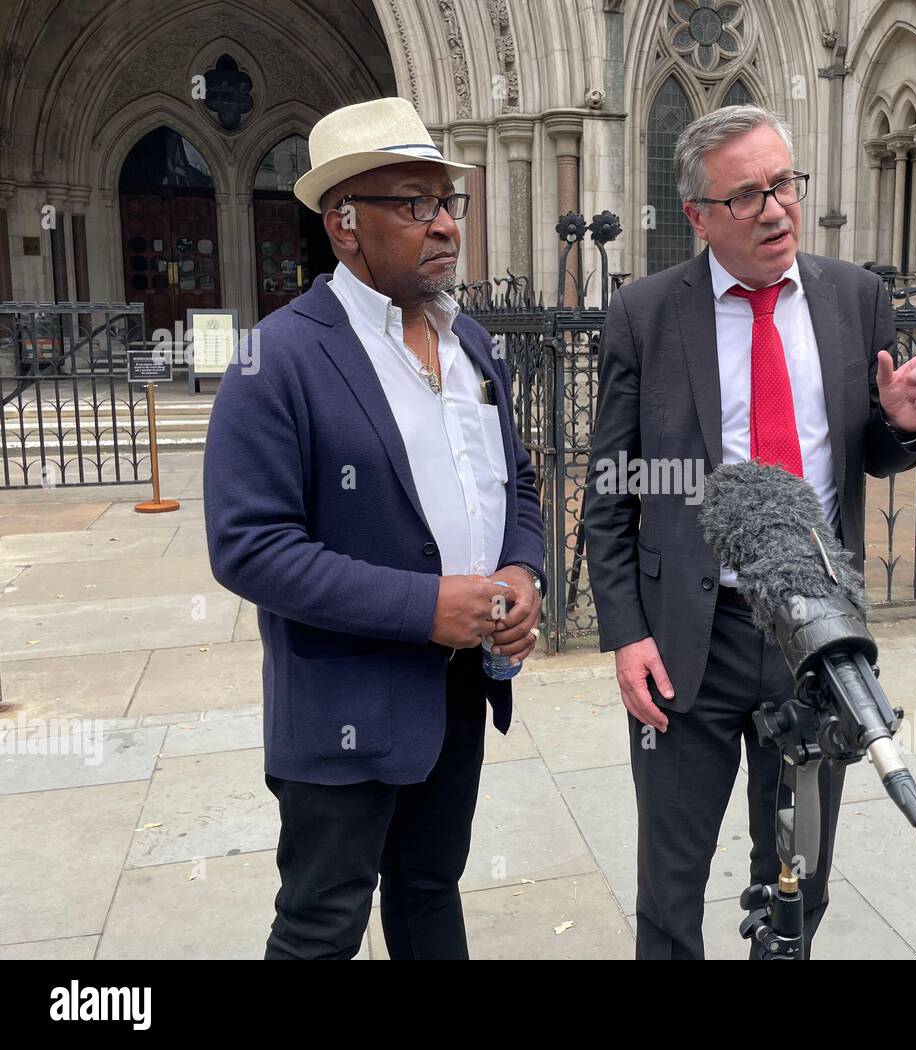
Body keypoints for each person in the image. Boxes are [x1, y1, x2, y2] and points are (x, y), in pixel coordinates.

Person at [584, 104, 916, 959]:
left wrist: (900, 426)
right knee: (670, 887)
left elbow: (876, 454)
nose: (777, 209)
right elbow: (611, 488)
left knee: (797, 876)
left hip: (815, 640)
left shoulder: (856, 299)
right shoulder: (646, 314)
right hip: (685, 646)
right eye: (747, 195)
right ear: (699, 218)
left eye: (783, 183)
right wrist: (626, 633)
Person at [203, 97, 545, 960]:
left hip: (460, 691)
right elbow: (249, 546)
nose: (444, 227)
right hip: (343, 703)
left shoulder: (472, 345)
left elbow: (521, 480)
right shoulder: (276, 358)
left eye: (447, 203)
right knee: (323, 923)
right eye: (414, 203)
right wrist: (422, 606)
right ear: (343, 224)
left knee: (430, 890)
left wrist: (525, 571)